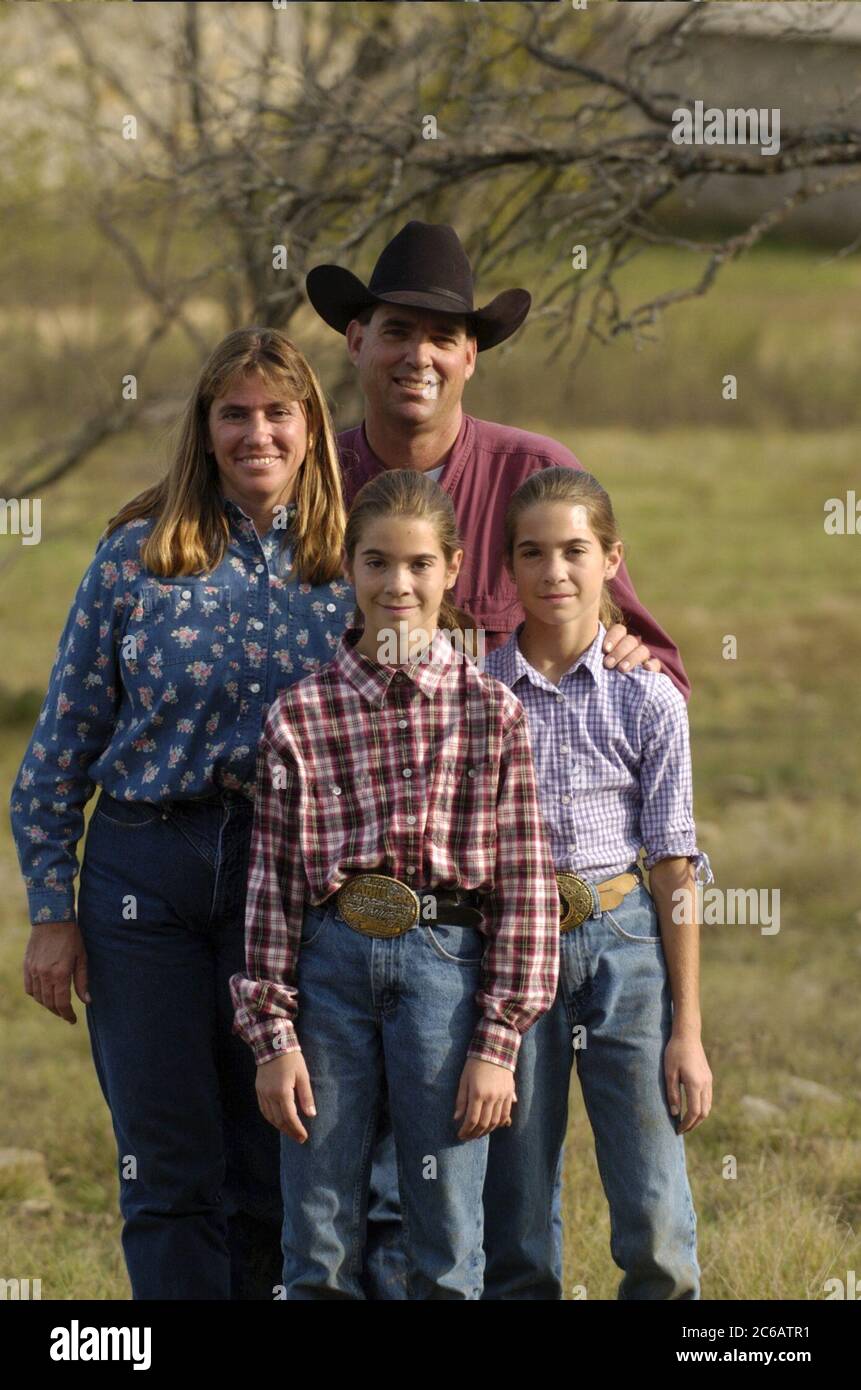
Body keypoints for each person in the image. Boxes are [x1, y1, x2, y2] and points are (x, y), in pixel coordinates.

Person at [306, 218, 690, 1294]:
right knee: (348, 1187)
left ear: (472, 353)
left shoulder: (534, 474)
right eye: (396, 330)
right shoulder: (318, 482)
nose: (417, 355)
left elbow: (649, 653)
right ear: (356, 340)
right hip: (339, 891)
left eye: (442, 335)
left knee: (473, 1187)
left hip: (496, 908)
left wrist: (611, 638)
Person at [8, 328, 357, 1299]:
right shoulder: (136, 556)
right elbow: (59, 748)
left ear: (308, 424)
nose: (257, 432)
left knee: (274, 1152)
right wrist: (50, 909)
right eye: (234, 413)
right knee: (166, 1161)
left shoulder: (348, 568)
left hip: (282, 877)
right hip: (141, 870)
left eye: (277, 412)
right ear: (204, 430)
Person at [229, 468, 560, 1299]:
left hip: (447, 974)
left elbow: (522, 883)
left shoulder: (491, 713)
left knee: (447, 1239)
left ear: (451, 569)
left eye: (417, 565)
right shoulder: (299, 714)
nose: (397, 584)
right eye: (376, 563)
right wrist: (272, 1036)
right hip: (328, 972)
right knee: (318, 1234)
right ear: (348, 569)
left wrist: (498, 1040)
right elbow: (271, 885)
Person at [482, 466, 714, 1300]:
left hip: (623, 949)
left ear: (611, 558)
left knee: (652, 1210)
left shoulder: (647, 696)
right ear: (506, 567)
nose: (554, 572)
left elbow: (674, 861)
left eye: (575, 550)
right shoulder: (476, 697)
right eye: (533, 553)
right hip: (511, 955)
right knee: (513, 1217)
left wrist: (686, 1028)